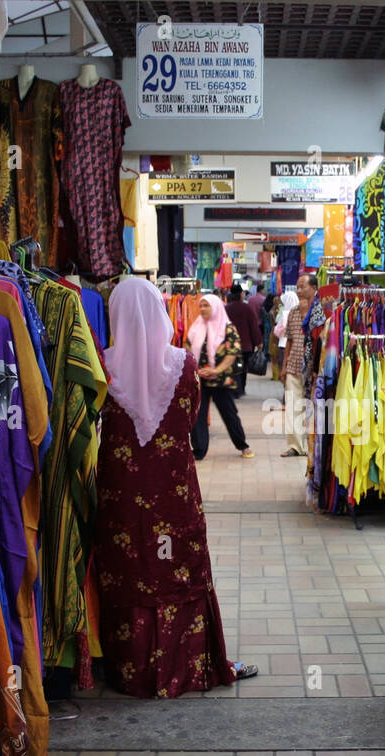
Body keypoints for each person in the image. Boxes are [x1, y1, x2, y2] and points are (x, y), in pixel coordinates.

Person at [94, 277, 257, 697]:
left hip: (120, 493)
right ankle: (186, 663)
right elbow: (188, 419)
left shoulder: (101, 366)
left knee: (127, 566)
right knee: (175, 562)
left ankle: (131, 669)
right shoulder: (182, 365)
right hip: (173, 490)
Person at [189, 294, 254, 460]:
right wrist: (196, 369)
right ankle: (199, 450)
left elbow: (232, 353)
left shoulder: (227, 328)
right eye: (201, 305)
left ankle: (242, 444)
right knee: (198, 415)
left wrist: (216, 371)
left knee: (229, 414)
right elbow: (187, 349)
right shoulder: (196, 326)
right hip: (200, 379)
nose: (202, 309)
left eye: (206, 306)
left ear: (216, 307)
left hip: (221, 379)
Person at [281, 276, 316, 457]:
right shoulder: (293, 312)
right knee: (293, 407)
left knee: (314, 408)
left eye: (303, 286)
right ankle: (296, 446)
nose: (299, 290)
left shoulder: (320, 312)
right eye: (297, 287)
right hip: (294, 365)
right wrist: (284, 366)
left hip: (313, 368)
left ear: (314, 288)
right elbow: (289, 340)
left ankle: (313, 446)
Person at [224, 283, 262, 397]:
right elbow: (253, 326)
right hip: (245, 345)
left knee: (231, 366)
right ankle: (241, 389)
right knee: (243, 367)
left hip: (230, 344)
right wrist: (258, 342)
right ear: (241, 294)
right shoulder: (247, 308)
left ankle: (233, 388)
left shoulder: (226, 308)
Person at [272, 290, 297, 382]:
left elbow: (277, 331)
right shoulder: (299, 313)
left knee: (285, 369)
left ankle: (287, 388)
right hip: (296, 346)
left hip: (283, 344)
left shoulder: (285, 313)